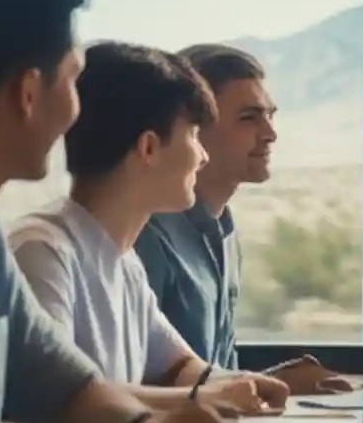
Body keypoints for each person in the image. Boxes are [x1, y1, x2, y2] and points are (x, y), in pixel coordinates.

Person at [0, 0, 234, 423]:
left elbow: (67, 387)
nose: (77, 111)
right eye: (72, 78)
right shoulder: (34, 246)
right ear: (28, 92)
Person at [8, 42, 289, 414]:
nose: (201, 155)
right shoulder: (42, 252)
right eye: (192, 135)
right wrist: (206, 397)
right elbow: (62, 397)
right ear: (149, 148)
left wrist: (249, 384)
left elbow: (181, 367)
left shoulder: (124, 261)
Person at [135, 44, 346, 395]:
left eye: (270, 116)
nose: (270, 133)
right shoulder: (145, 236)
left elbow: (212, 373)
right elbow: (130, 386)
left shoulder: (225, 233)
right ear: (193, 128)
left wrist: (275, 379)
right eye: (249, 118)